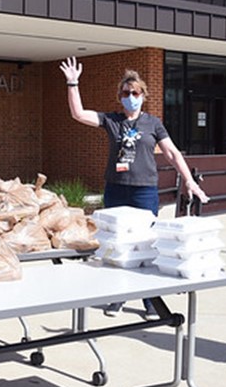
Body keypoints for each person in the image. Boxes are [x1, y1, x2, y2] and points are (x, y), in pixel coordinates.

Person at [59, 56, 209, 318]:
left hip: (143, 191)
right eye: (126, 93)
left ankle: (150, 301)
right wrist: (73, 83)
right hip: (117, 189)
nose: (131, 96)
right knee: (117, 245)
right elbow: (78, 114)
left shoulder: (153, 123)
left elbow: (172, 153)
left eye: (136, 92)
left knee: (145, 244)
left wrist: (189, 180)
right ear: (120, 96)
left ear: (143, 95)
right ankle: (119, 295)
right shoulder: (112, 120)